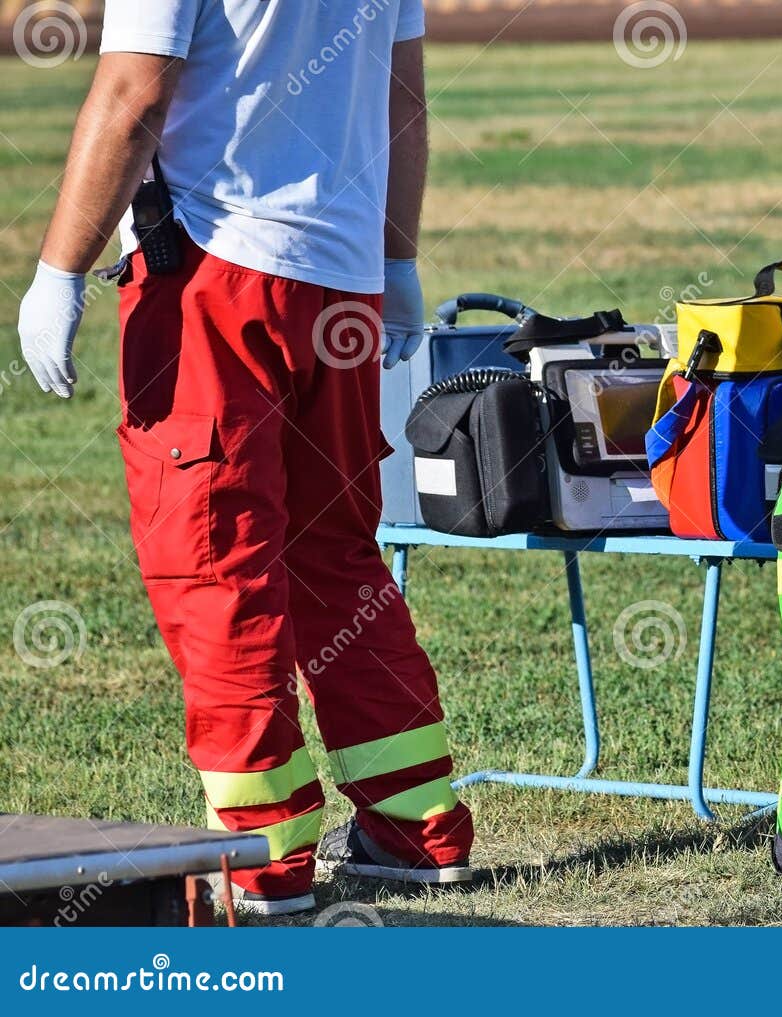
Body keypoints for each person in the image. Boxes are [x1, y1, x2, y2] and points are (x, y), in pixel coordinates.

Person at [15, 1, 474, 913]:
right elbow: (401, 94)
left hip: (214, 277)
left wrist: (58, 269)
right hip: (340, 279)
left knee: (215, 565)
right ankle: (416, 824)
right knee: (335, 556)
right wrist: (398, 259)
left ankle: (261, 864)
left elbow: (134, 87)